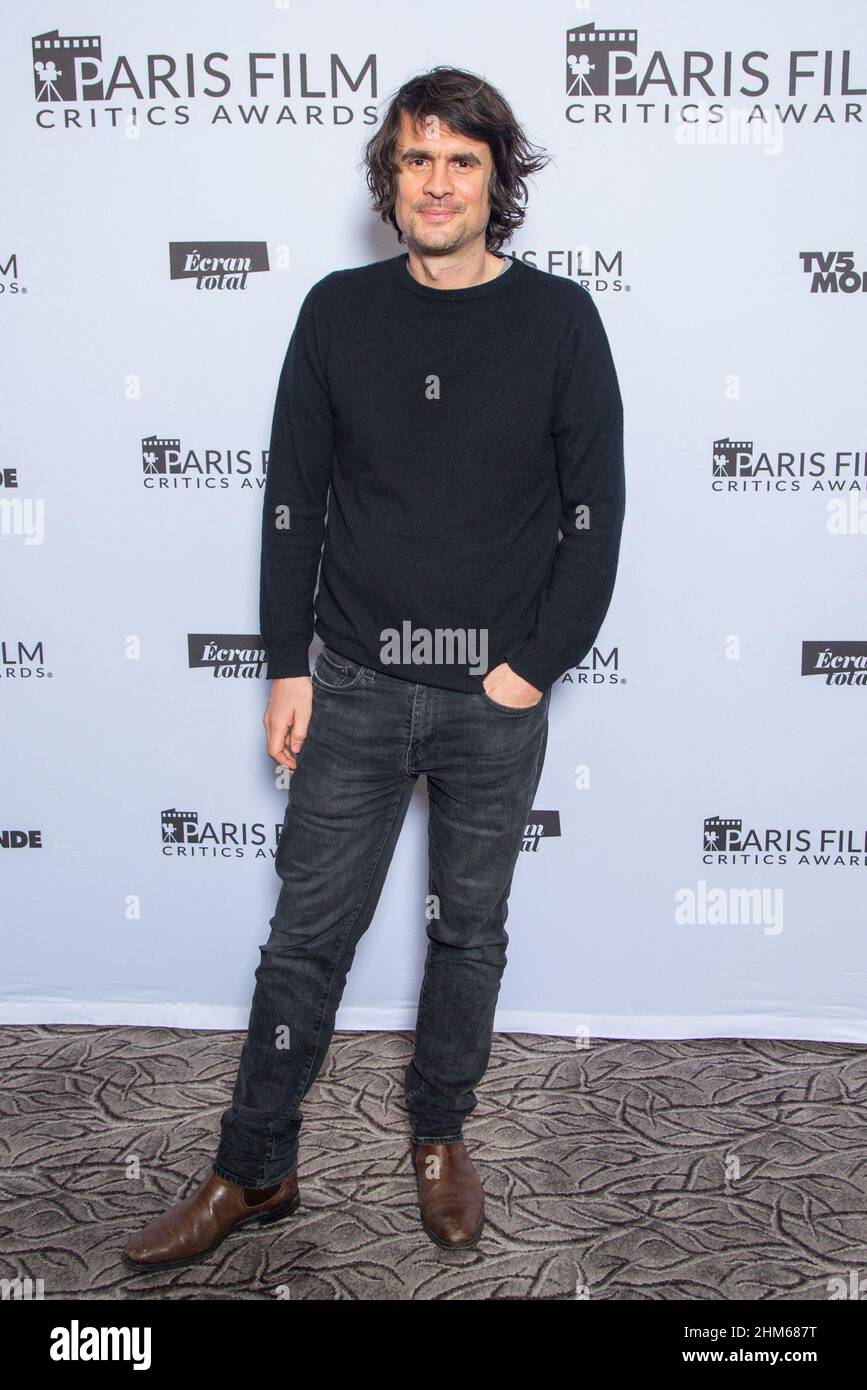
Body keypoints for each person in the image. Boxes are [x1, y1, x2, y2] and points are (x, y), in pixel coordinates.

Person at [122, 64, 625, 1271]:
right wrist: (287, 667)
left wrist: (530, 668)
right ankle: (257, 1165)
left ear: (496, 180)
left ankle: (441, 1138)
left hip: (492, 698)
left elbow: (595, 514)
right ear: (388, 179)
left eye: (461, 159)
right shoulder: (337, 311)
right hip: (348, 681)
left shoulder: (560, 321)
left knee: (470, 936)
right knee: (305, 939)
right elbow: (293, 500)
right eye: (415, 159)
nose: (437, 181)